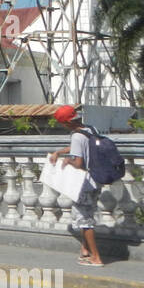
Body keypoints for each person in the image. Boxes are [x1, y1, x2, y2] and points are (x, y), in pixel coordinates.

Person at [48, 104, 104, 267]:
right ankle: (85, 251)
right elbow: (79, 148)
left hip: (83, 183)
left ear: (66, 123)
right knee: (87, 215)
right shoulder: (90, 129)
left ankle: (96, 257)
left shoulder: (76, 136)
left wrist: (67, 160)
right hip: (96, 180)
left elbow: (78, 163)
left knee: (84, 220)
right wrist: (60, 152)